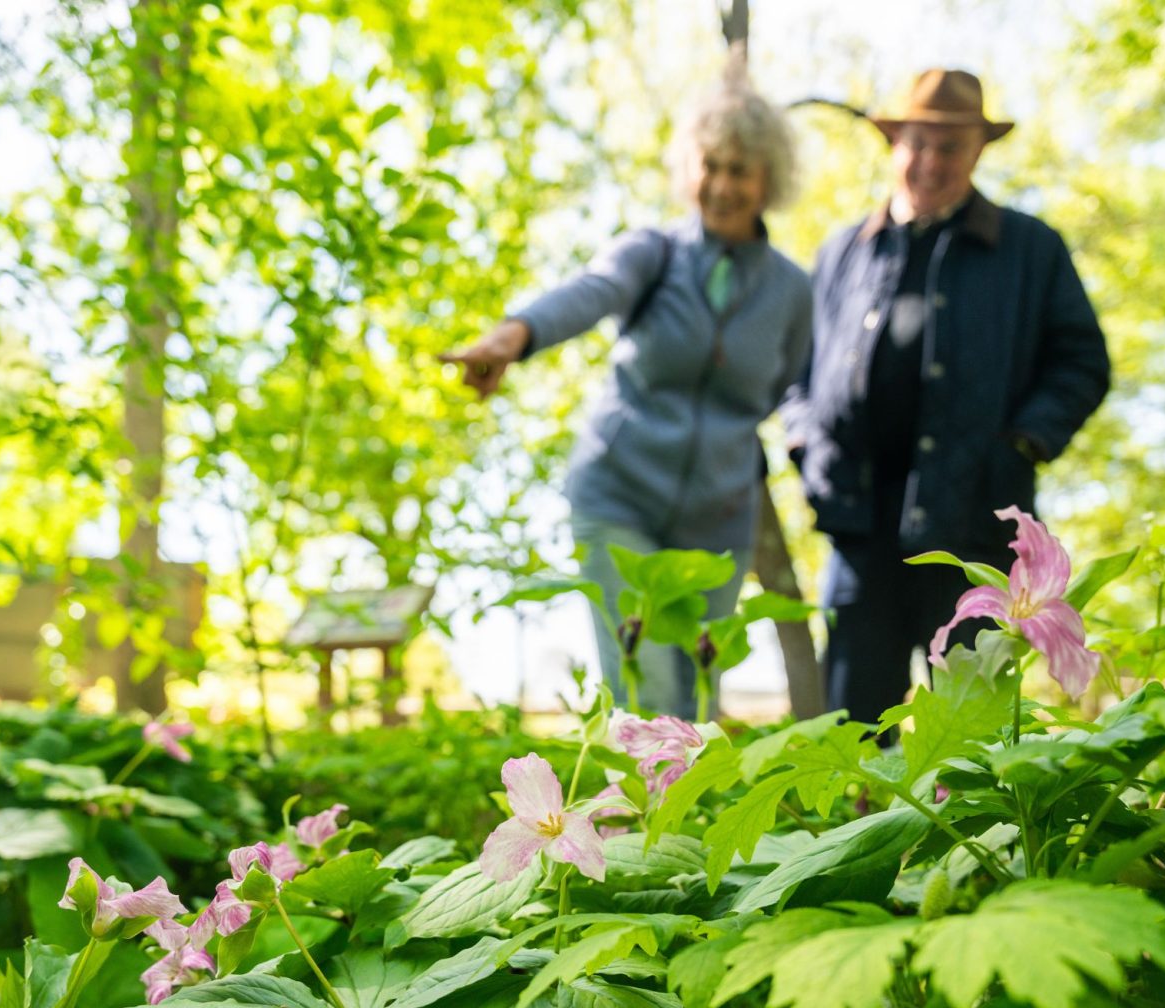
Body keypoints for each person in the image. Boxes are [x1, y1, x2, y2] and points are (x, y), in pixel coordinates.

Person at [442, 75, 812, 721]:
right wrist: (513, 336)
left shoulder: (791, 291)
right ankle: (626, 824)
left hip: (718, 519)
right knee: (650, 693)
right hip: (619, 495)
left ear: (768, 180)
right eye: (711, 166)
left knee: (698, 699)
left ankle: (679, 827)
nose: (723, 185)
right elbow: (593, 290)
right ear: (689, 168)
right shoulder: (655, 252)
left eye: (740, 171)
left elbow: (791, 384)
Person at [781, 68, 1110, 726]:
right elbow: (796, 373)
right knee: (846, 735)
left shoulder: (1028, 248)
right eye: (917, 144)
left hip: (973, 534)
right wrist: (805, 446)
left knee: (970, 739)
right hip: (859, 531)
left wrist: (1021, 442)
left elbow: (1083, 361)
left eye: (950, 146)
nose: (930, 162)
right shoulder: (843, 252)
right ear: (893, 144)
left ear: (979, 151)